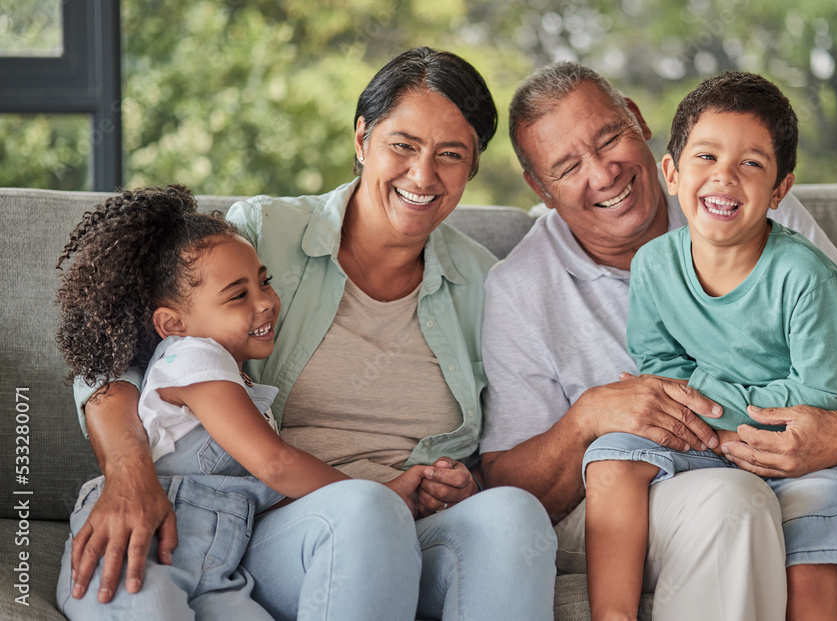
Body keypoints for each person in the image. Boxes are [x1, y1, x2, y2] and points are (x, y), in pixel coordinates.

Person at [66, 47, 557, 621]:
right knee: (366, 510)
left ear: (471, 168)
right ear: (361, 139)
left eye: (451, 155)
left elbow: (502, 441)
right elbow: (111, 355)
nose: (423, 175)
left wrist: (461, 484)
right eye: (402, 145)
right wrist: (128, 470)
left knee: (513, 515)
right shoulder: (260, 234)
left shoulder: (487, 283)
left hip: (411, 527)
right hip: (268, 528)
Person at [480, 61, 837, 620]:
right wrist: (589, 417)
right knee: (733, 503)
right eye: (566, 166)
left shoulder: (739, 200)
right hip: (637, 494)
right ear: (541, 189)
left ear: (638, 122)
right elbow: (507, 485)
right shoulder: (518, 289)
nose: (604, 172)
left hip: (779, 466)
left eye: (610, 137)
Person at [54, 185, 435, 618]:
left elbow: (273, 491)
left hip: (221, 567)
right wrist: (380, 494)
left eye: (264, 282)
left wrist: (386, 511)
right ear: (172, 323)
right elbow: (276, 465)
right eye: (238, 295)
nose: (266, 302)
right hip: (141, 540)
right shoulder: (192, 357)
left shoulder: (246, 392)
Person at [583, 72, 837, 621]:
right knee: (610, 455)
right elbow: (660, 365)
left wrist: (716, 411)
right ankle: (613, 614)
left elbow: (822, 392)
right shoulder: (654, 265)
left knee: (806, 571)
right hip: (710, 436)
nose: (724, 177)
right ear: (671, 172)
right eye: (706, 157)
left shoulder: (806, 276)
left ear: (779, 190)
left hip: (810, 451)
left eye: (751, 164)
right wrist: (707, 427)